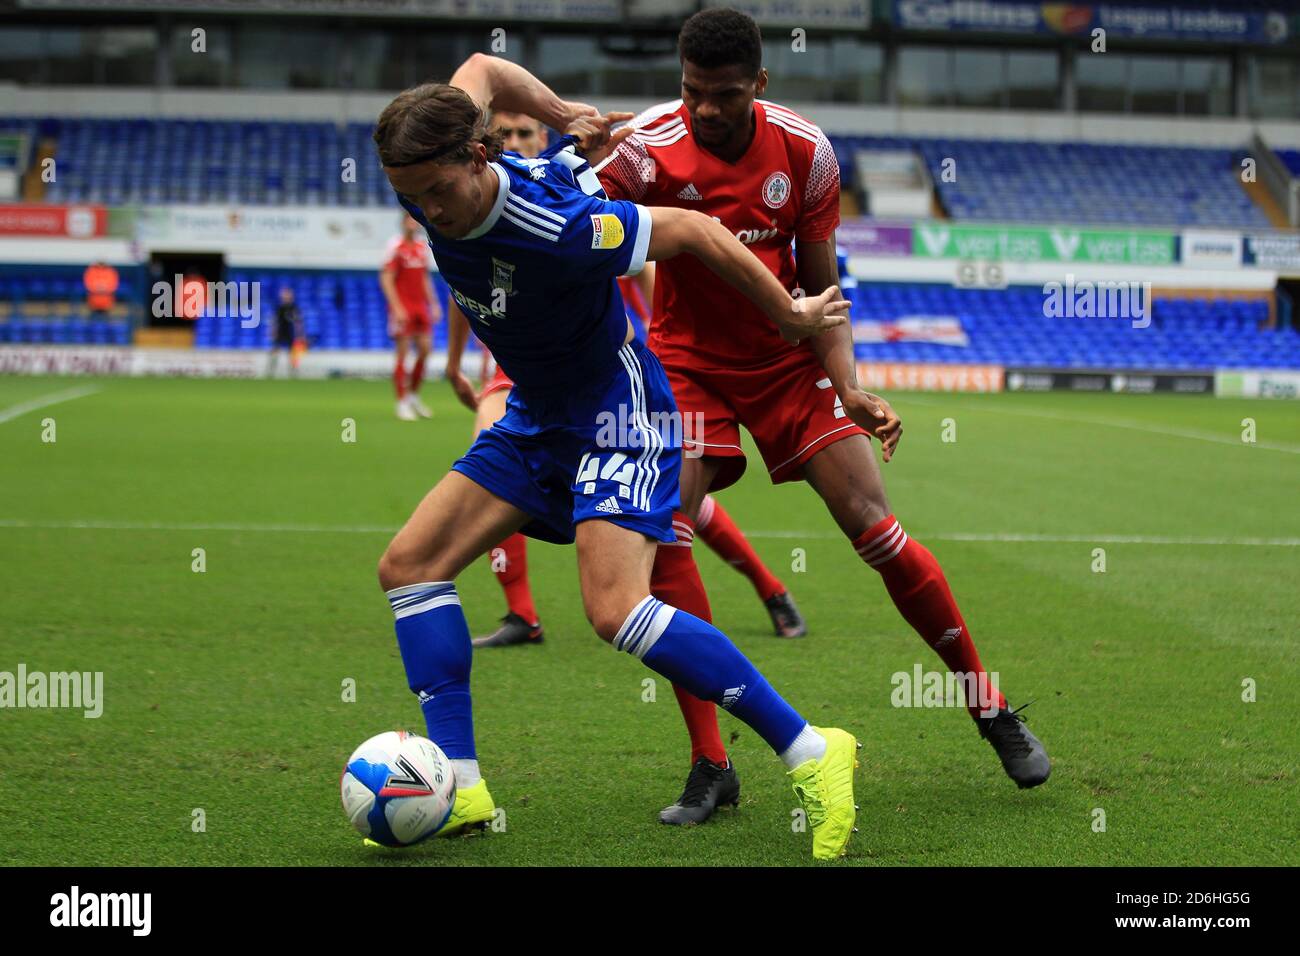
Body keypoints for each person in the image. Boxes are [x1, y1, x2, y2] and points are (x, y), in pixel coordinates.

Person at [371, 53, 859, 859]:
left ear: (477, 158)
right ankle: (460, 786)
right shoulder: (443, 137)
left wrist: (792, 314)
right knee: (410, 566)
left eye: (437, 191)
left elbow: (697, 231)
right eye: (407, 196)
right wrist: (563, 113)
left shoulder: (555, 230)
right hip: (536, 414)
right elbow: (482, 66)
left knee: (614, 611)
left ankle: (812, 749)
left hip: (617, 412)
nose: (426, 209)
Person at [592, 8, 1051, 824]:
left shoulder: (806, 153)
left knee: (878, 530)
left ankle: (990, 708)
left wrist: (852, 387)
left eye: (724, 95)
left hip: (788, 364)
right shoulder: (648, 148)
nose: (704, 110)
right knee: (665, 535)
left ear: (759, 86)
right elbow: (575, 225)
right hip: (687, 366)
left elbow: (822, 289)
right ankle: (711, 762)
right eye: (693, 92)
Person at [445, 109, 806, 647]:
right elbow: (463, 281)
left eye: (526, 132)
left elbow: (644, 266)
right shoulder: (467, 206)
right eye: (508, 131)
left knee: (683, 504)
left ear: (543, 140)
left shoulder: (558, 201)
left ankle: (769, 587)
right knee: (490, 454)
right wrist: (452, 360)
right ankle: (521, 612)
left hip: (592, 366)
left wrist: (664, 337)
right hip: (517, 370)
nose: (515, 140)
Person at [381, 215, 441, 421]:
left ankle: (413, 396)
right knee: (403, 354)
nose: (412, 223)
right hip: (403, 306)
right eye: (408, 220)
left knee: (425, 350)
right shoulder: (395, 245)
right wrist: (396, 308)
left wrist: (433, 303)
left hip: (419, 307)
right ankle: (401, 402)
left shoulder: (421, 246)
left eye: (414, 220)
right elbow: (386, 278)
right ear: (402, 223)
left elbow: (424, 277)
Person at [267, 286, 304, 378]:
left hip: (290, 332)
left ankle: (293, 372)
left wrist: (300, 333)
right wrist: (272, 331)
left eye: (287, 294)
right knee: (275, 351)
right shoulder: (279, 308)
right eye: (284, 294)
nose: (285, 296)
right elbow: (274, 321)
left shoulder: (294, 307)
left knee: (293, 354)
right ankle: (271, 372)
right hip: (280, 332)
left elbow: (298, 322)